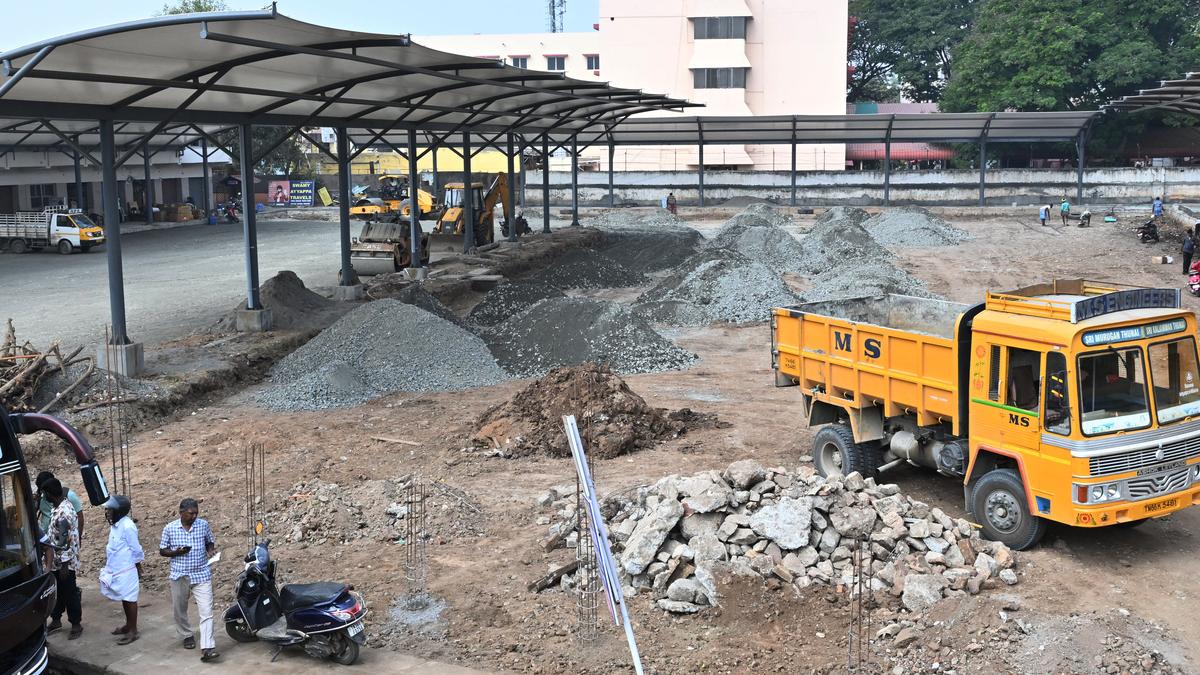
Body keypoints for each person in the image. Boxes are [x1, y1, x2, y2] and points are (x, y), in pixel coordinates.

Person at [160, 498, 219, 662]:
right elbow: (162, 550)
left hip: (201, 573)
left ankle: (208, 647)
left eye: (196, 513)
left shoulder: (203, 525)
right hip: (180, 575)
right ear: (181, 512)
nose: (194, 516)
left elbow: (209, 541)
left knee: (207, 611)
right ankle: (186, 635)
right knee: (179, 609)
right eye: (191, 513)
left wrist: (211, 550)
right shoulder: (170, 528)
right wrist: (176, 552)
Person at [100, 495, 144, 645]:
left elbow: (136, 548)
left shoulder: (128, 526)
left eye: (110, 510)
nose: (108, 513)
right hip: (117, 568)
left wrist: (138, 566)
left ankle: (133, 630)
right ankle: (128, 625)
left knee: (130, 598)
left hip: (127, 568)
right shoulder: (116, 525)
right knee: (124, 597)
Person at [43, 479, 83, 640]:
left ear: (50, 494)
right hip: (58, 561)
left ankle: (76, 624)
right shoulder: (61, 507)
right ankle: (57, 619)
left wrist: (65, 565)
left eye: (45, 493)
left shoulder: (62, 513)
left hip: (64, 563)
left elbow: (64, 541)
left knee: (69, 593)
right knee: (58, 591)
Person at [36, 471, 84, 541]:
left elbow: (80, 517)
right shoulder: (41, 498)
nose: (40, 492)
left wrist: (78, 537)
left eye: (43, 490)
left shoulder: (69, 496)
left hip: (61, 544)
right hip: (48, 540)